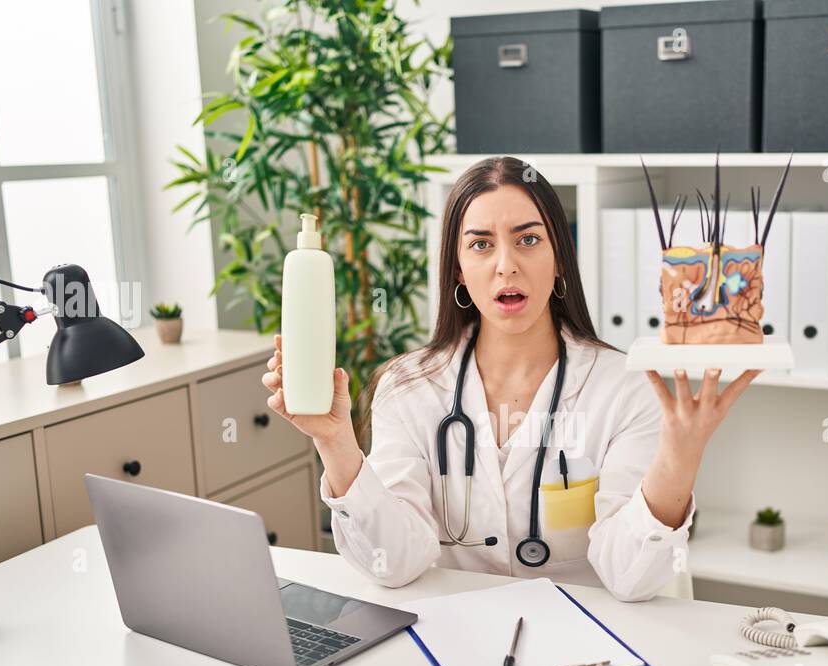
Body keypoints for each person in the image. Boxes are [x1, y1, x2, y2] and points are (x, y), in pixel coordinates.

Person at [261, 156, 757, 601]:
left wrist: (681, 456)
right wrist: (335, 443)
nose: (506, 265)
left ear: (559, 255)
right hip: (459, 649)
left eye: (528, 239)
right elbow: (394, 563)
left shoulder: (624, 389)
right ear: (457, 268)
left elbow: (630, 578)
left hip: (587, 658)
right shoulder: (409, 388)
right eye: (480, 244)